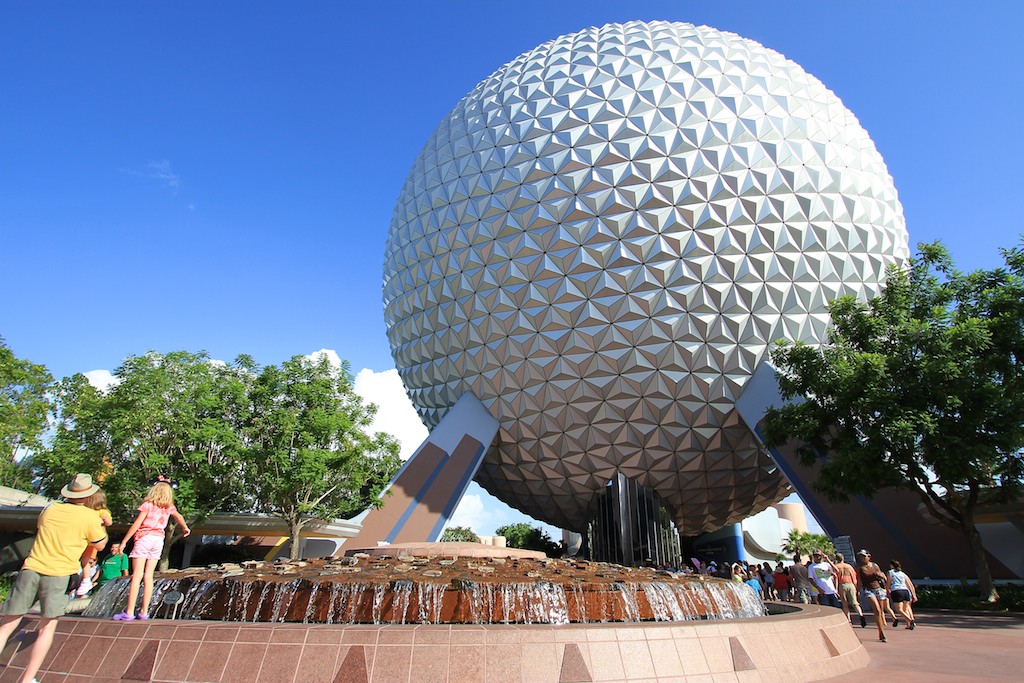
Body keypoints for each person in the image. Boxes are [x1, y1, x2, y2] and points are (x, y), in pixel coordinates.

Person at [0, 474, 108, 683]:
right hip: (59, 574)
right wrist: (102, 525)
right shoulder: (89, 517)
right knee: (46, 628)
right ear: (88, 495)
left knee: (6, 625)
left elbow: (42, 528)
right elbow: (100, 544)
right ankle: (27, 679)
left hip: (31, 567)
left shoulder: (49, 509)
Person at [113, 480, 190, 621]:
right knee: (149, 576)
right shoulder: (169, 507)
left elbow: (137, 524)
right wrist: (185, 527)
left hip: (144, 538)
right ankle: (144, 612)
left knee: (136, 576)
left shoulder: (147, 506)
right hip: (158, 541)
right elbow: (178, 516)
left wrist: (124, 541)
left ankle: (129, 612)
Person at [855, 549, 892, 642]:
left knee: (880, 612)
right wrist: (857, 591)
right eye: (860, 557)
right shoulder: (859, 567)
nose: (862, 558)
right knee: (877, 609)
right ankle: (882, 633)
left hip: (878, 588)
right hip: (868, 589)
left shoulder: (875, 565)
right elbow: (859, 580)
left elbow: (883, 576)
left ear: (869, 557)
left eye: (864, 556)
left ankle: (881, 631)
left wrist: (881, 576)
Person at [833, 552, 866, 627]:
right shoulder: (849, 566)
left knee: (845, 604)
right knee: (855, 602)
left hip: (842, 585)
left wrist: (836, 589)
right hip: (851, 584)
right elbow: (854, 578)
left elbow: (836, 579)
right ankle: (861, 614)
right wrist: (855, 587)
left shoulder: (836, 567)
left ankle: (848, 620)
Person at [887, 559, 918, 630]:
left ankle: (910, 620)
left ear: (892, 565)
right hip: (905, 591)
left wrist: (887, 589)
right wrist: (913, 595)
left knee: (899, 609)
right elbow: (909, 584)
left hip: (896, 590)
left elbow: (888, 582)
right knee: (906, 608)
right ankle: (908, 624)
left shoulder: (890, 572)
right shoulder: (902, 574)